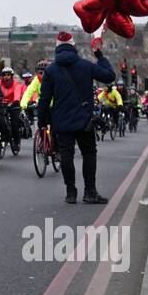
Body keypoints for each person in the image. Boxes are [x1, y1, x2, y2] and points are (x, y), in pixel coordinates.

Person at [37, 31, 115, 204]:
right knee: (89, 153)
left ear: (57, 47)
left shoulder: (50, 70)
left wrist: (42, 121)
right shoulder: (86, 66)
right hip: (84, 119)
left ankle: (70, 192)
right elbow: (110, 76)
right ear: (74, 46)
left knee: (66, 155)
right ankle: (90, 192)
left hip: (61, 120)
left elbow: (44, 99)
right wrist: (99, 55)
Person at [0, 67, 26, 153]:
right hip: (2, 105)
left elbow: (17, 94)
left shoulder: (16, 84)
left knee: (14, 123)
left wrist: (15, 101)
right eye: (4, 75)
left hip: (14, 105)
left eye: (8, 75)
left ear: (11, 76)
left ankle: (16, 142)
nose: (6, 77)